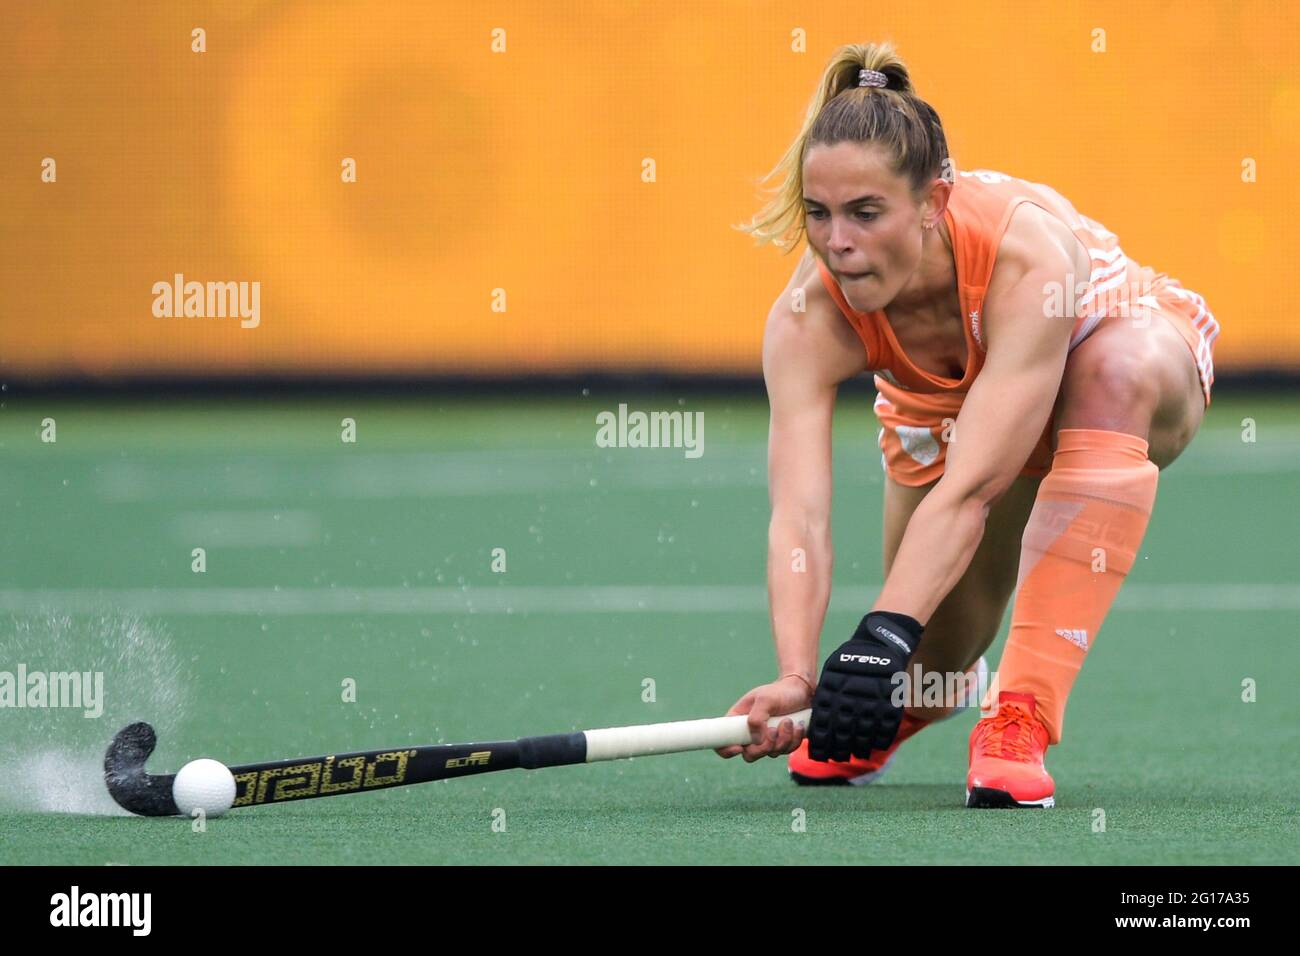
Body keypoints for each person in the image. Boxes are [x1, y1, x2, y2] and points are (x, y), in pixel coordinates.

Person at [713, 42, 1219, 808]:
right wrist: (800, 675)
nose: (837, 243)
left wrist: (879, 634)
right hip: (948, 417)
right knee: (935, 662)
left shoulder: (1024, 257)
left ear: (933, 204)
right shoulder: (806, 319)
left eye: (865, 213)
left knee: (1117, 372)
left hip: (1119, 357)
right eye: (818, 213)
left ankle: (1020, 711)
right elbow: (800, 517)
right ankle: (926, 702)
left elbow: (974, 491)